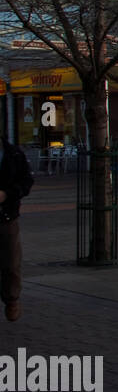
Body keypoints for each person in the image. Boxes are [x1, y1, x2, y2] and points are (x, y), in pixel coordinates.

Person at [0, 133, 34, 321]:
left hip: (6, 216)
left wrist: (7, 194)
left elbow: (26, 181)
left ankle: (12, 299)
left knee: (11, 262)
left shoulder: (13, 154)